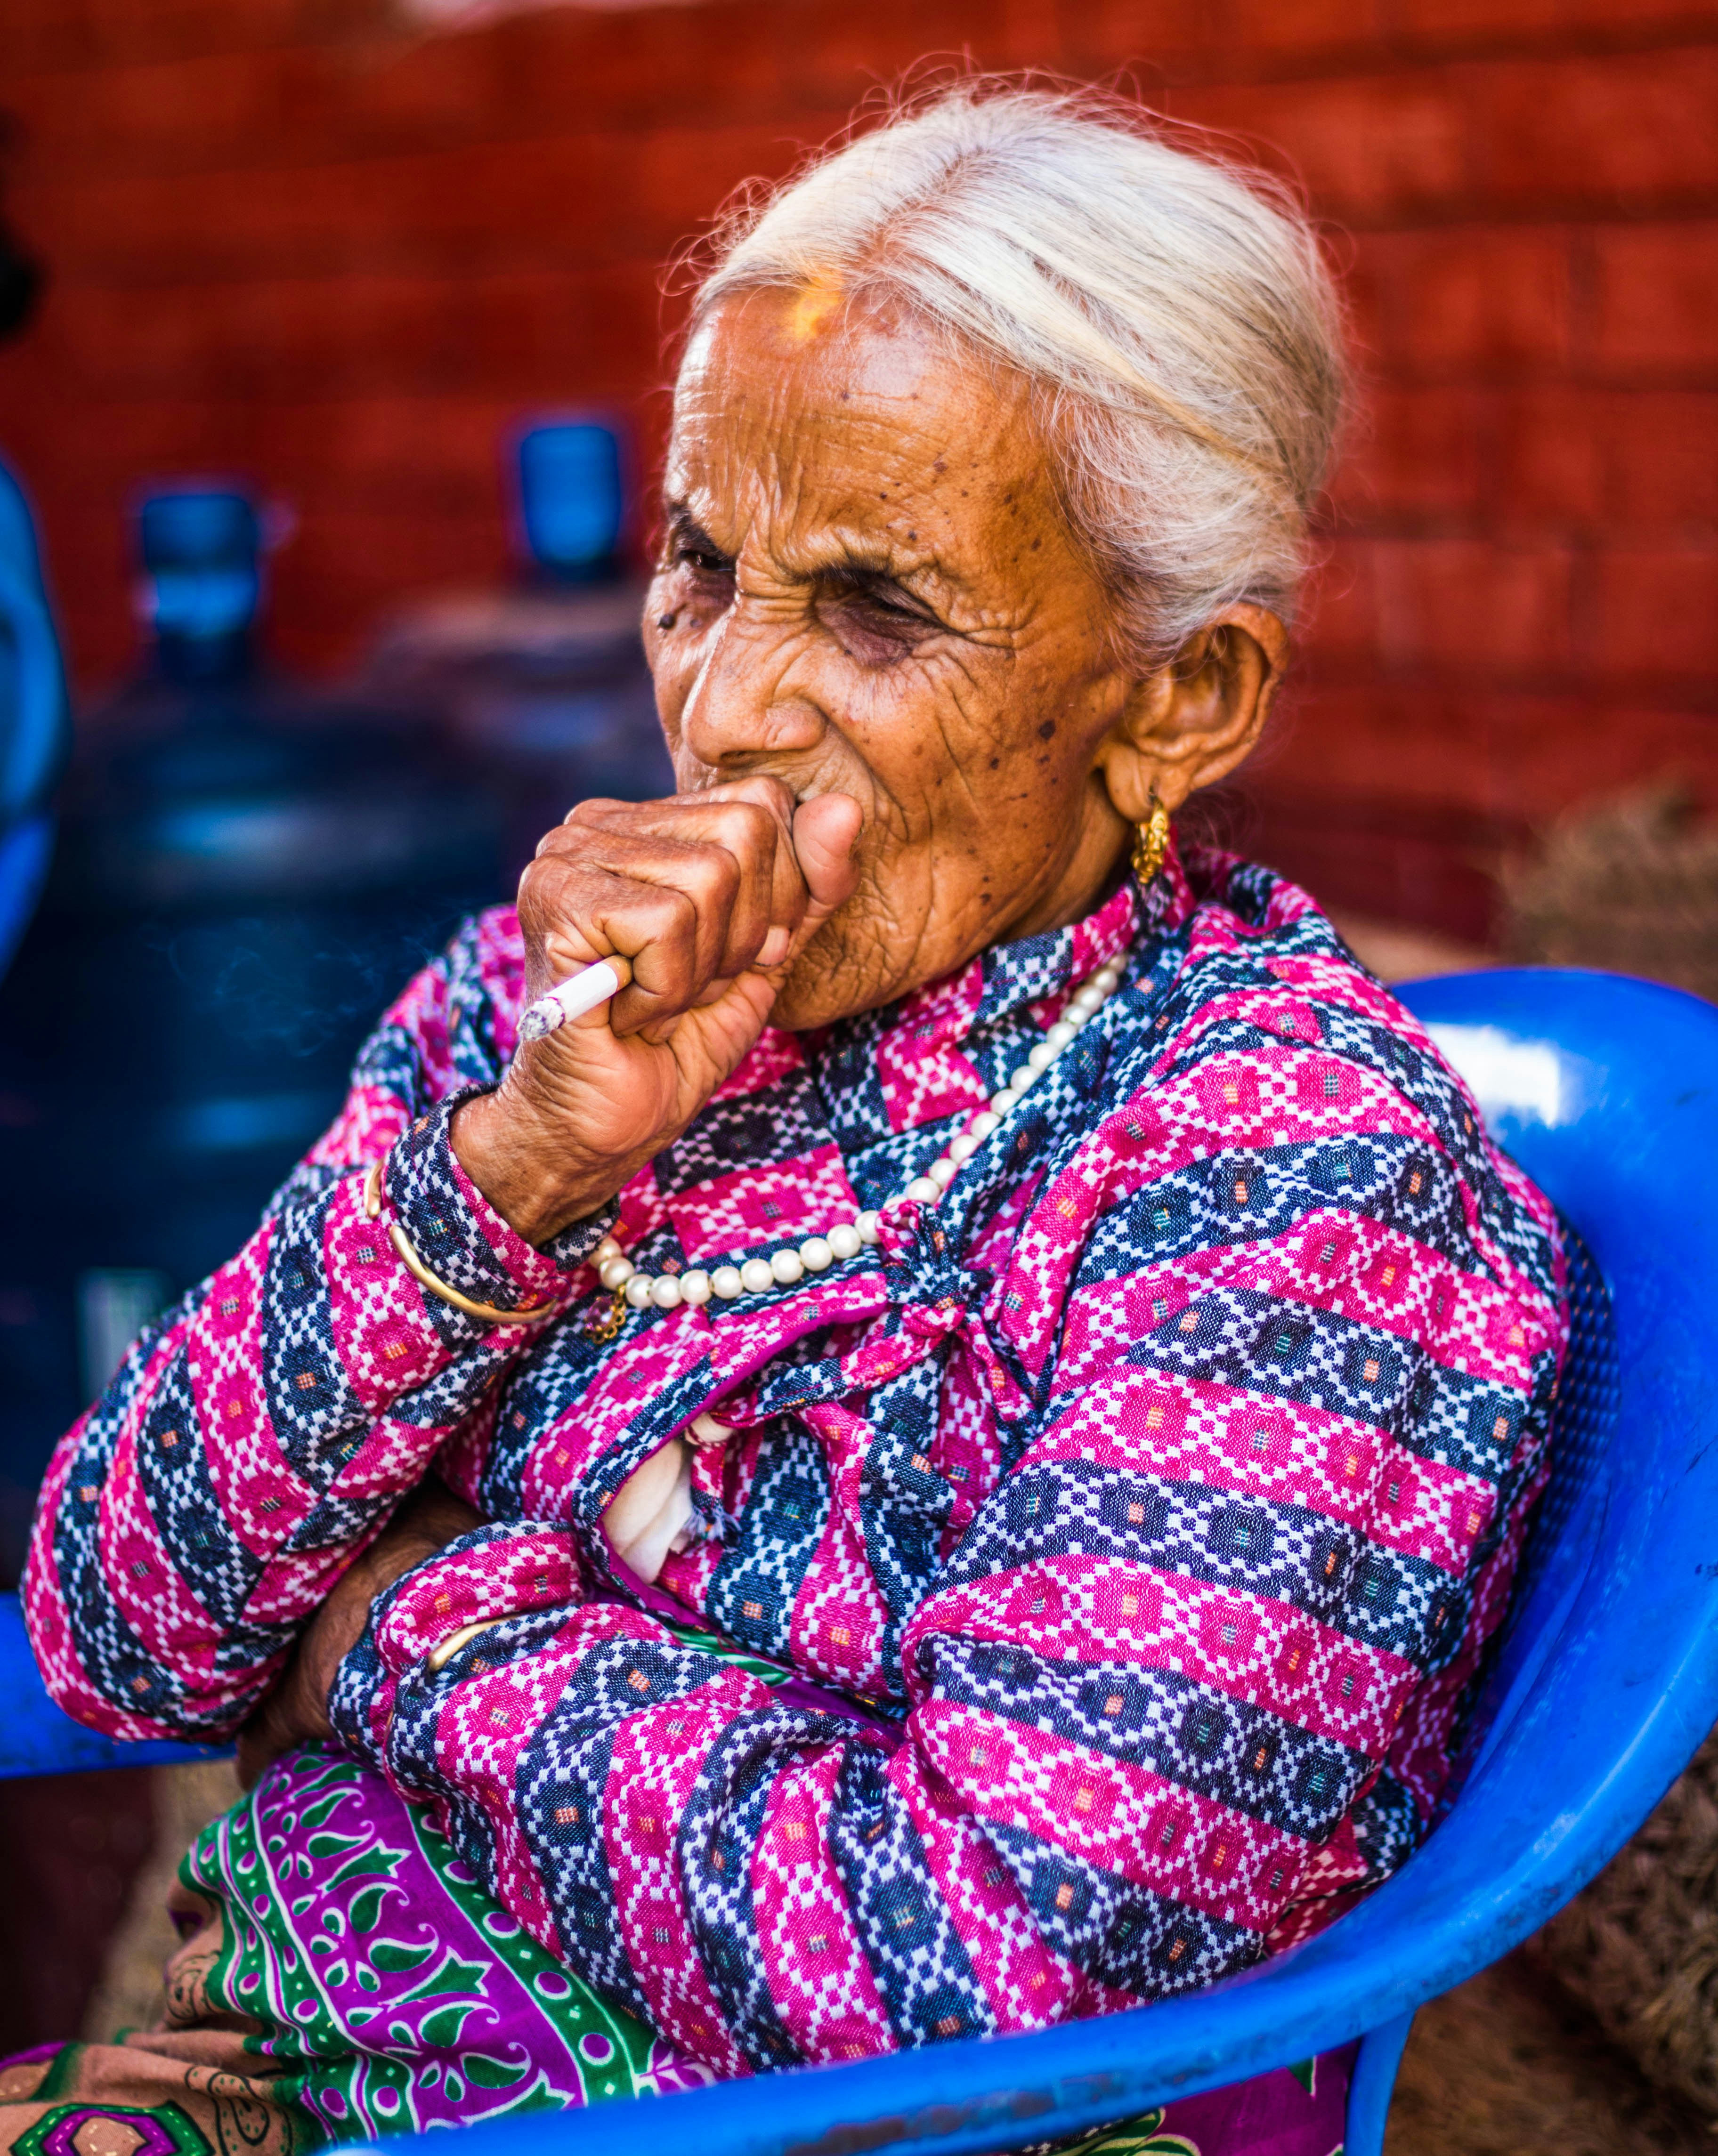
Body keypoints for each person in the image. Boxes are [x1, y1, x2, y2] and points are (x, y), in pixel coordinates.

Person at [8, 81, 1567, 2156]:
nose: (728, 701)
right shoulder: (540, 1006)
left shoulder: (1292, 1165)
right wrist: (513, 1174)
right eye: (700, 565)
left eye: (876, 606)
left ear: (1180, 697)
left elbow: (983, 1959)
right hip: (312, 2075)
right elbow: (121, 1615)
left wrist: (399, 1615)